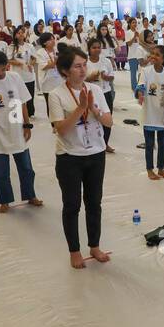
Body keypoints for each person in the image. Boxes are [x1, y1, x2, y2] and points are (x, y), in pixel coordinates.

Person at [48, 44, 113, 267]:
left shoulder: (95, 90)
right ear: (65, 71)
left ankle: (94, 245)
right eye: (77, 66)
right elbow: (61, 129)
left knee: (94, 203)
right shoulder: (56, 95)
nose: (83, 70)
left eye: (84, 65)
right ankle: (74, 250)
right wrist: (80, 108)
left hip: (96, 153)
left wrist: (94, 109)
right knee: (72, 204)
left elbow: (108, 122)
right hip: (69, 156)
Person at [0, 48, 42, 214]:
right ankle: (5, 200)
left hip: (16, 125)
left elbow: (23, 103)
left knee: (26, 168)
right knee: (0, 171)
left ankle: (30, 195)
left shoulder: (14, 77)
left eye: (2, 69)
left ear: (7, 65)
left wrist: (27, 125)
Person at [136, 45, 164, 180]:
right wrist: (140, 94)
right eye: (152, 54)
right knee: (149, 143)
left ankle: (161, 168)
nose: (153, 57)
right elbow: (141, 85)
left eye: (157, 55)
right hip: (149, 112)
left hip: (162, 113)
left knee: (162, 144)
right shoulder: (146, 71)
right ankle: (150, 169)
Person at [84, 37, 118, 154]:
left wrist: (106, 77)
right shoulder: (85, 62)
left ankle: (105, 142)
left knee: (107, 118)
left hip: (106, 92)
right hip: (90, 94)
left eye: (99, 47)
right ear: (89, 49)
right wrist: (90, 78)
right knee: (91, 119)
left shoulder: (106, 61)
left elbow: (112, 76)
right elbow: (81, 79)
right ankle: (93, 142)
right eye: (94, 48)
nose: (97, 50)